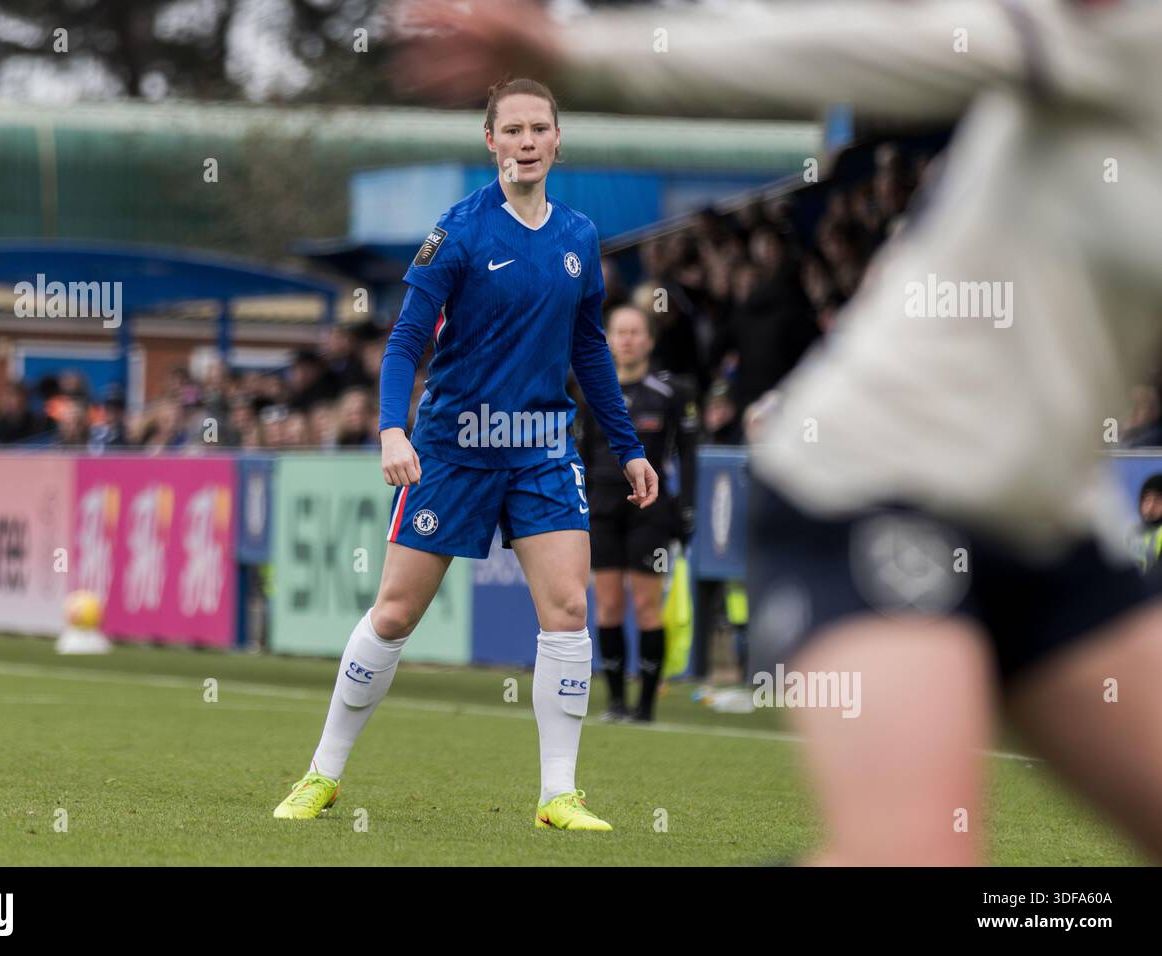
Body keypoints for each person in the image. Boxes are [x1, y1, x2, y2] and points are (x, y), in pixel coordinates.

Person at [391, 0, 1162, 865]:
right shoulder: (1118, 43)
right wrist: (580, 52)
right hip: (875, 481)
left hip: (1047, 519)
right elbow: (865, 45)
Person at [273, 77, 659, 831]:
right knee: (393, 615)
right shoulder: (458, 233)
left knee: (568, 609)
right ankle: (322, 774)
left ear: (555, 140)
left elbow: (589, 348)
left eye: (537, 129)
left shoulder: (580, 236)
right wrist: (392, 428)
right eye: (510, 129)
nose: (524, 141)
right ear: (490, 142)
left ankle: (558, 795)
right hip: (452, 448)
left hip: (542, 447)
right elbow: (405, 342)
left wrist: (630, 447)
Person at [578, 304, 698, 722]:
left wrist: (687, 509)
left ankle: (645, 707)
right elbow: (581, 452)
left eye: (635, 332)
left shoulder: (671, 392)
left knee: (647, 606)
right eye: (619, 332)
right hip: (603, 507)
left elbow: (689, 454)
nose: (626, 339)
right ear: (608, 338)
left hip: (650, 508)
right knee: (608, 607)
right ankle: (614, 703)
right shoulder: (589, 388)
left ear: (648, 340)